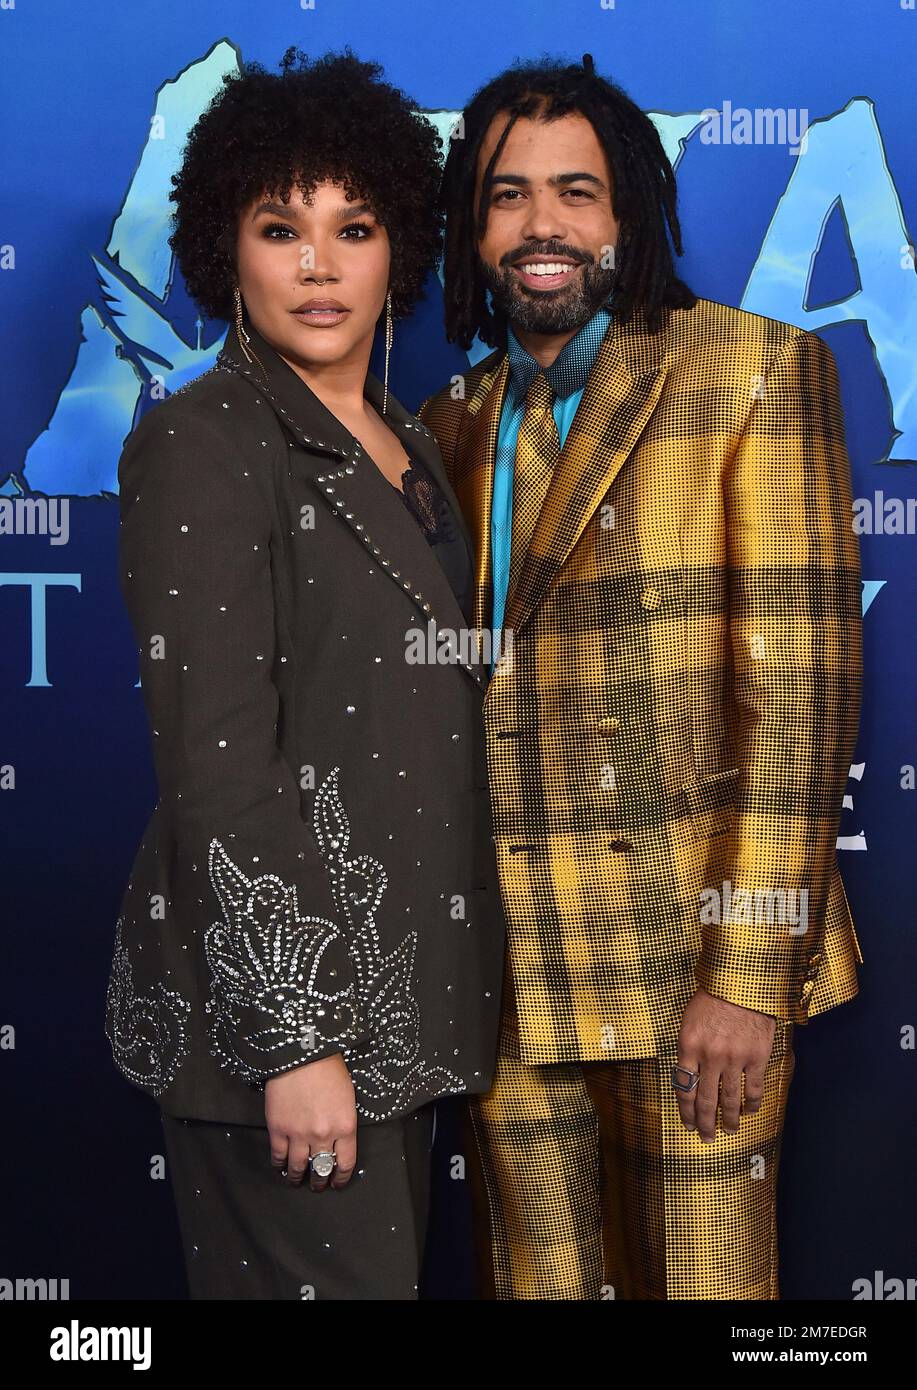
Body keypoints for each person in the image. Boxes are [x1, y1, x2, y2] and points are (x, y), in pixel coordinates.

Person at [419, 54, 864, 1300]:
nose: (542, 224)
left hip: (689, 968)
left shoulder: (747, 370)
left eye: (576, 191)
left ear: (628, 217)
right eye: (507, 196)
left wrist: (745, 977)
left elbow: (799, 708)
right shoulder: (448, 422)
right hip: (508, 973)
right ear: (470, 225)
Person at [104, 46, 504, 1301]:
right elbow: (220, 763)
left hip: (408, 1006)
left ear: (401, 254)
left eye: (355, 226)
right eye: (283, 229)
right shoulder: (202, 439)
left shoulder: (401, 439)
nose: (320, 265)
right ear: (229, 249)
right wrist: (296, 1039)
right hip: (290, 1025)